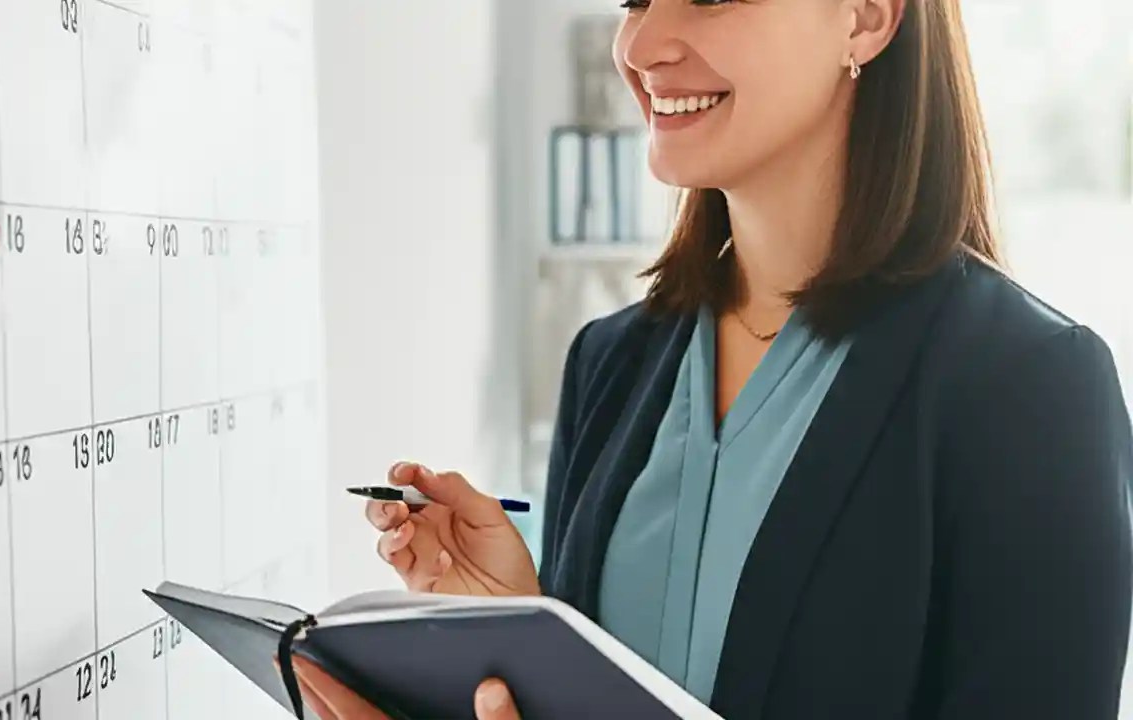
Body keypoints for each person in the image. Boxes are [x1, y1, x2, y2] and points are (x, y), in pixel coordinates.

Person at [288, 0, 1133, 717]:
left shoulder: (1030, 387)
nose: (641, 44)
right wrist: (520, 630)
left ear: (866, 17)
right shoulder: (609, 363)